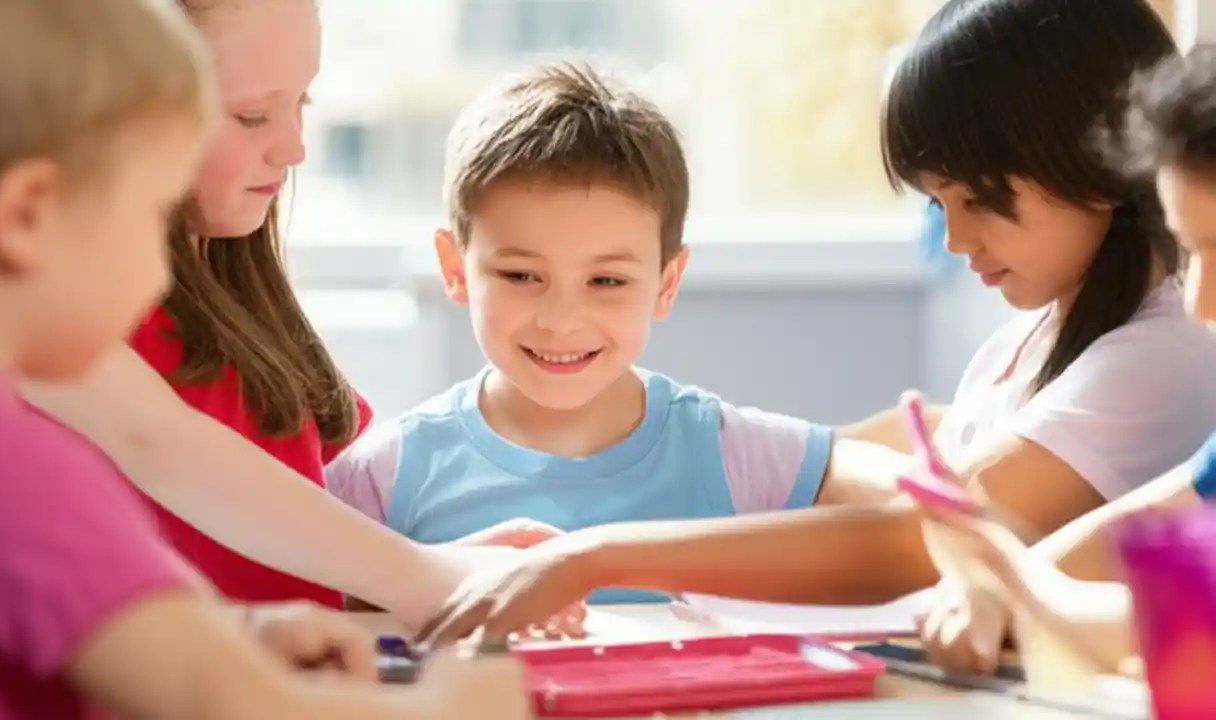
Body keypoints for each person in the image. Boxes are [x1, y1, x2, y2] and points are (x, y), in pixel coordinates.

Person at [413, 0, 1216, 644]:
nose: (956, 237)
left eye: (976, 198)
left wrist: (593, 553)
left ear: (1097, 161)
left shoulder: (1160, 355)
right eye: (939, 203)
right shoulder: (1036, 337)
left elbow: (918, 542)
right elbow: (922, 456)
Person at [0, 1, 526, 718]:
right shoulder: (9, 468)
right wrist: (463, 705)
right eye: (153, 216)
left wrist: (233, 630)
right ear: (25, 215)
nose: (162, 272)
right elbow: (234, 703)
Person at [327, 63, 914, 603]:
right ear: (456, 268)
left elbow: (925, 508)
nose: (560, 319)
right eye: (521, 275)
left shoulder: (726, 450)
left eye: (606, 280)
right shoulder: (384, 475)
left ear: (666, 282)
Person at [916, 43, 1216, 676]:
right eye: (1194, 253)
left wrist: (1006, 578)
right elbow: (1140, 536)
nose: (1201, 301)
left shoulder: (1159, 355)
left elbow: (1187, 625)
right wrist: (1000, 584)